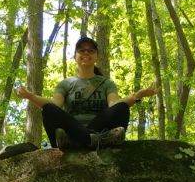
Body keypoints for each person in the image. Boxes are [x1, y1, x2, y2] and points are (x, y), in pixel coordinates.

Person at [15, 36, 158, 150]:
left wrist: (137, 96)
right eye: (81, 50)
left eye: (91, 51)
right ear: (75, 56)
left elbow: (114, 105)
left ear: (96, 56)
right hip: (71, 129)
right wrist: (30, 96)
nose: (86, 53)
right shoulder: (65, 84)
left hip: (96, 128)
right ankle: (95, 140)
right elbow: (55, 105)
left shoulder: (106, 84)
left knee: (122, 108)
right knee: (48, 110)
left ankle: (80, 141)